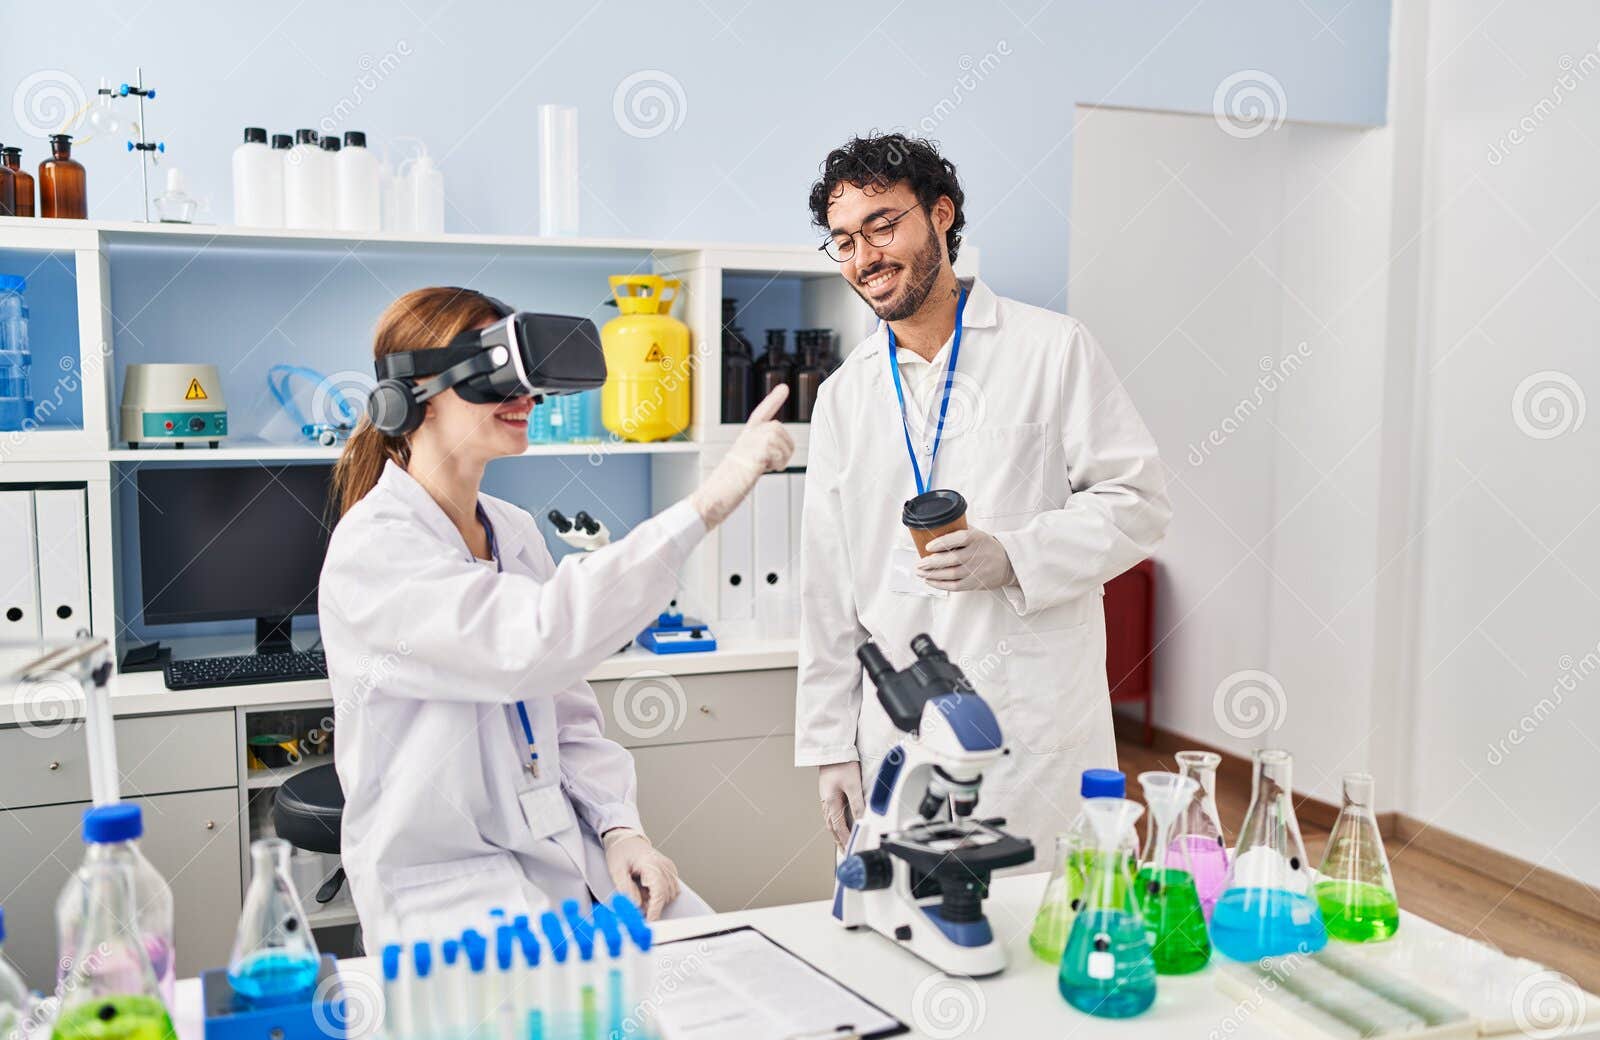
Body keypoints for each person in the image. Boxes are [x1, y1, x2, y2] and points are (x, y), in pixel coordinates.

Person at [320, 286, 793, 943]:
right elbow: (533, 642)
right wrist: (707, 503)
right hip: (450, 893)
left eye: (528, 380)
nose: (526, 399)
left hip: (568, 858)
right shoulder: (373, 549)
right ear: (412, 394)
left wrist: (619, 828)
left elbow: (566, 711)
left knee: (723, 960)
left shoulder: (513, 531)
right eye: (496, 376)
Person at [796, 134, 1171, 855]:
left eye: (883, 225)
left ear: (941, 215)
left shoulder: (1053, 348)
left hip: (1034, 725)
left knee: (1050, 934)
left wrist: (1015, 556)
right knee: (907, 934)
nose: (865, 256)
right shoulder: (844, 396)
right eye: (843, 241)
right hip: (899, 732)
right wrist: (828, 747)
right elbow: (826, 583)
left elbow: (1140, 501)